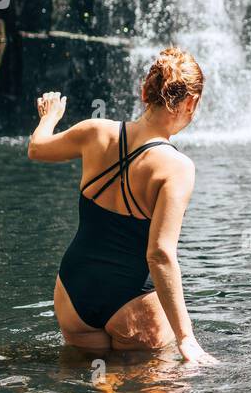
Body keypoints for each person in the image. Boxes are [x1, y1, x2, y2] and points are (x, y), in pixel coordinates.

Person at [28, 48, 217, 364]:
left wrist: (49, 117)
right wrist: (186, 338)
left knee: (85, 380)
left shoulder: (95, 132)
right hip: (133, 301)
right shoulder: (176, 167)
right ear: (191, 103)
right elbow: (159, 254)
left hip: (74, 292)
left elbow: (37, 149)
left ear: (144, 91)